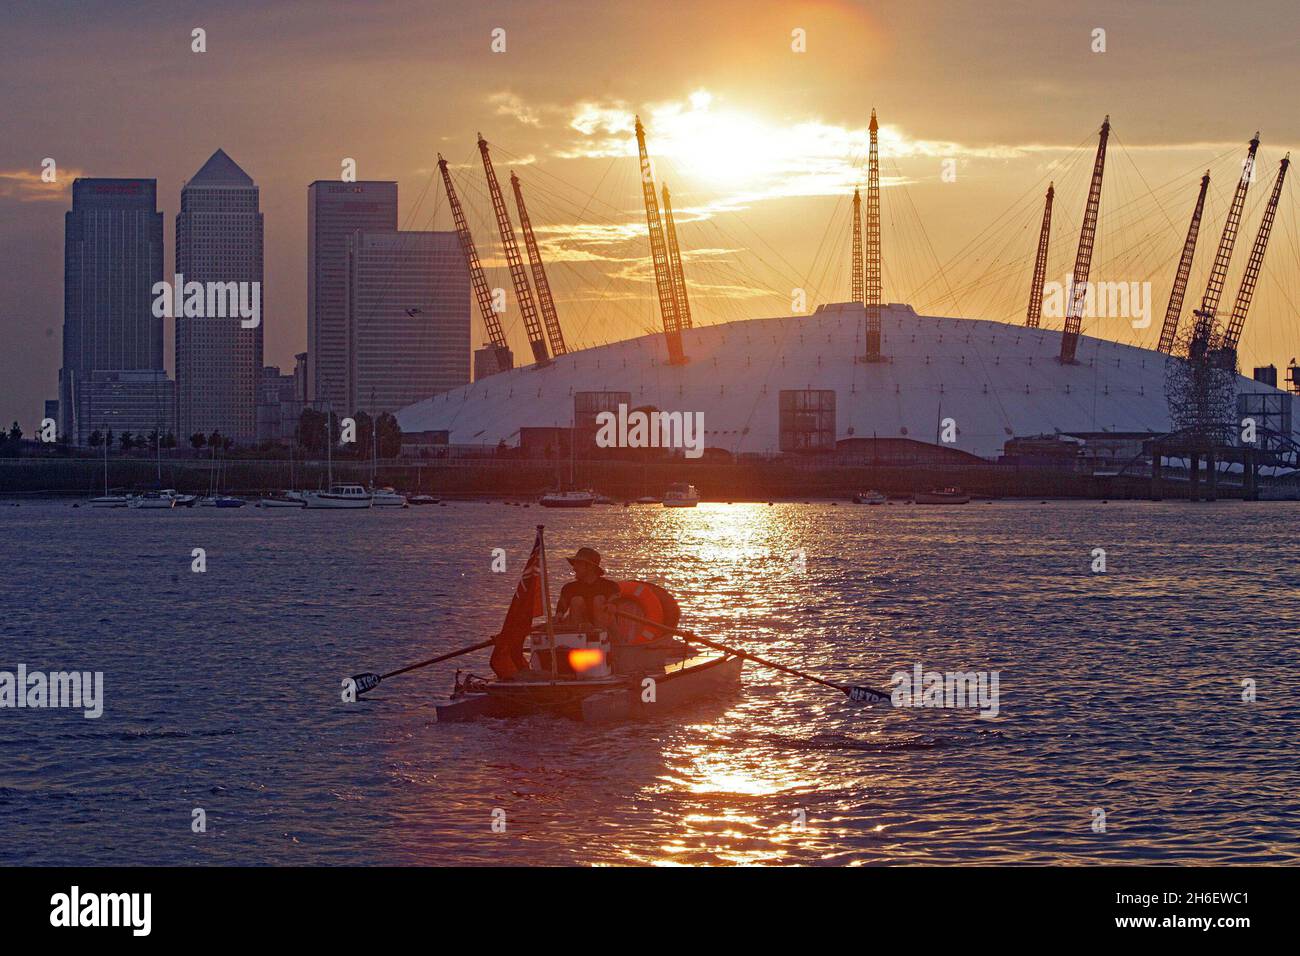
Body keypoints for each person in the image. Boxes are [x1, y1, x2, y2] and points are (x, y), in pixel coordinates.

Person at [556, 547, 620, 627]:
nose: (574, 568)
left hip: (605, 632)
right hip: (579, 632)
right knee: (577, 601)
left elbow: (615, 601)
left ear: (590, 567)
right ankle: (579, 636)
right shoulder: (569, 588)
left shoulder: (610, 586)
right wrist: (559, 614)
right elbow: (562, 605)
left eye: (578, 564)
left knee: (598, 599)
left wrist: (612, 605)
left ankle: (599, 634)